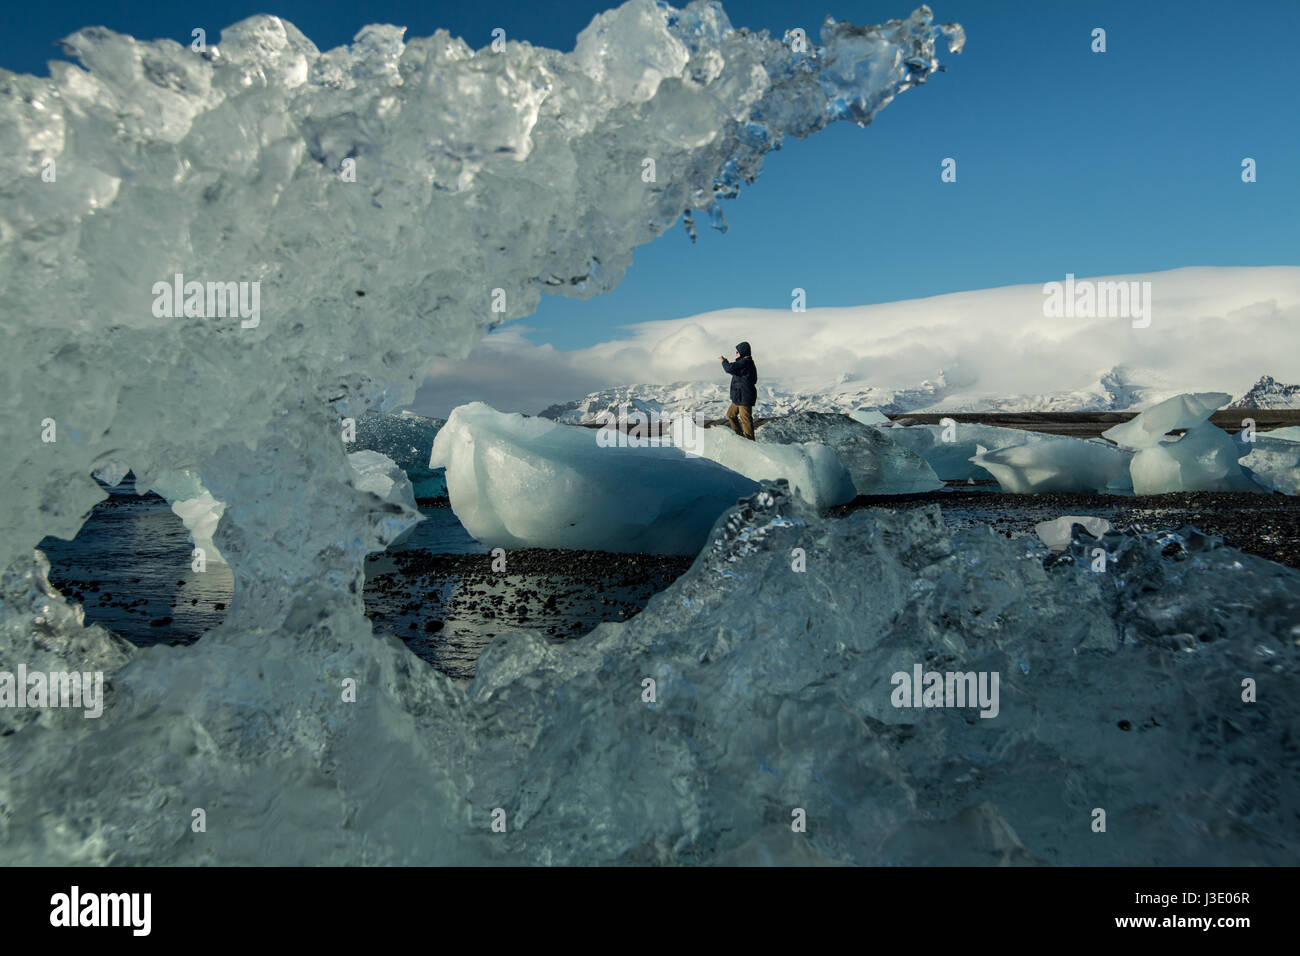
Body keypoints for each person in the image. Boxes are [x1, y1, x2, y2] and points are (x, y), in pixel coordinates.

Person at [719, 341, 757, 440]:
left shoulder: (745, 362)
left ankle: (750, 442)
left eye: (737, 351)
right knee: (731, 414)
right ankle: (739, 437)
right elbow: (735, 371)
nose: (736, 353)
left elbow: (729, 368)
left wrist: (724, 361)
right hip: (739, 396)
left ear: (742, 352)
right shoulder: (744, 363)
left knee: (745, 419)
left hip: (744, 396)